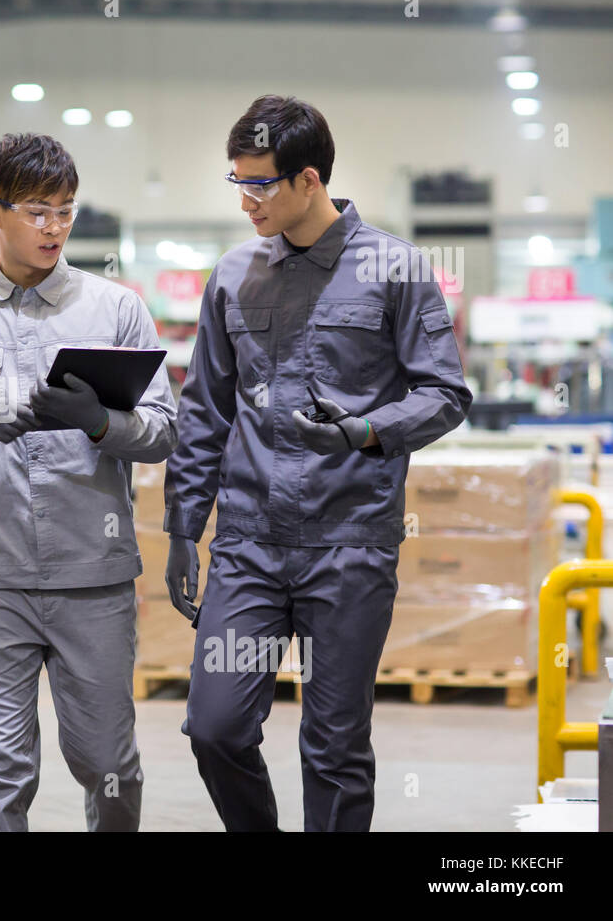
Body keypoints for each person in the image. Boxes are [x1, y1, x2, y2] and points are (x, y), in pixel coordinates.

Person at [163, 95, 472, 831]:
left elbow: (446, 393)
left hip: (350, 545)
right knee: (216, 728)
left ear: (309, 180)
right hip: (250, 547)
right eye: (235, 181)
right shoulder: (234, 275)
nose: (246, 201)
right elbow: (204, 408)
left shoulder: (396, 269)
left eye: (260, 184)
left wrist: (365, 430)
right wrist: (183, 527)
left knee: (334, 744)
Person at [0, 132, 178, 831]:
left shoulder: (116, 311)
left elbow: (164, 430)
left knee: (107, 763)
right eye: (37, 212)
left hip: (92, 578)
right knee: (0, 769)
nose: (53, 229)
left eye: (66, 212)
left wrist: (100, 423)